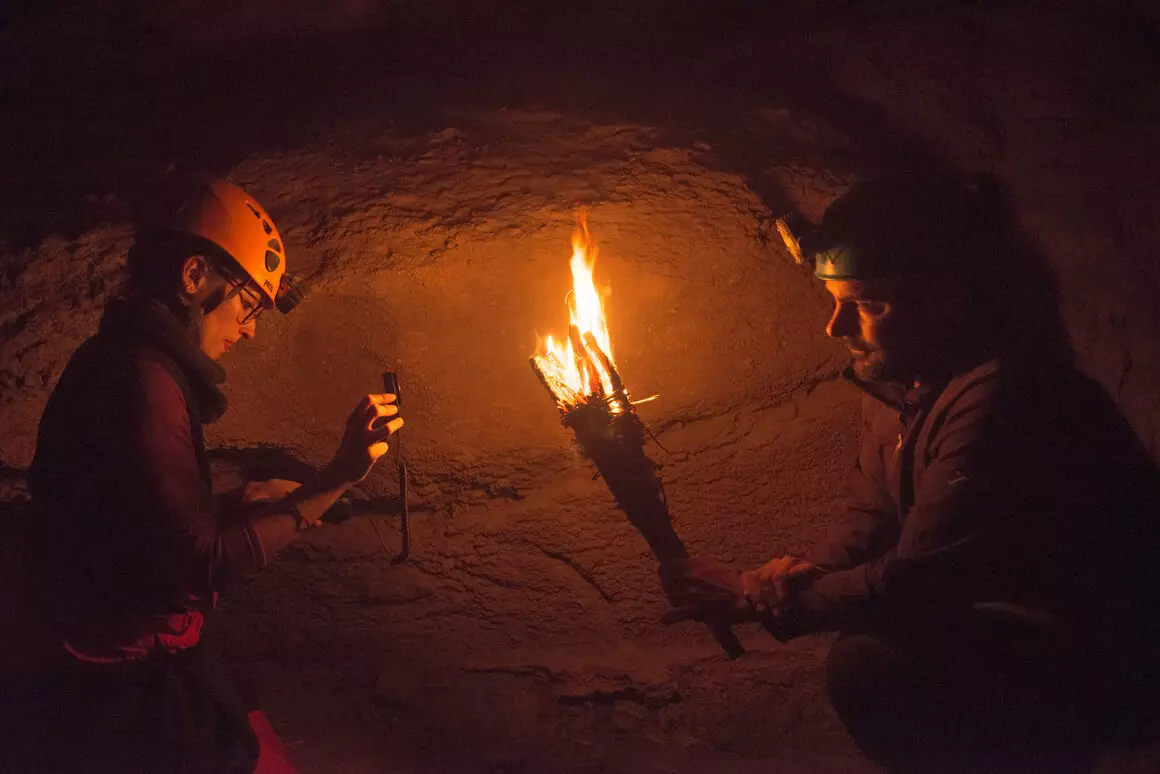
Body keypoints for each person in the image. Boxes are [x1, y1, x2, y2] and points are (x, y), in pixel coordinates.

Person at [660, 172, 1160, 771]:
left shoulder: (1002, 395)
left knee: (870, 663)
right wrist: (782, 577)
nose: (837, 328)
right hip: (1012, 622)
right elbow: (868, 518)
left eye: (869, 304)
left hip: (1106, 653)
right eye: (837, 302)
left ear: (946, 299)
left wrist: (762, 603)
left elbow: (921, 579)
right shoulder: (903, 383)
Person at [0, 177, 404, 773]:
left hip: (115, 661)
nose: (250, 327)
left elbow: (133, 514)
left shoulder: (127, 361)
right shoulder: (144, 383)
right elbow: (197, 558)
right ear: (194, 277)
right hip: (116, 689)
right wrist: (333, 480)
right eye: (248, 303)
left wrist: (241, 498)